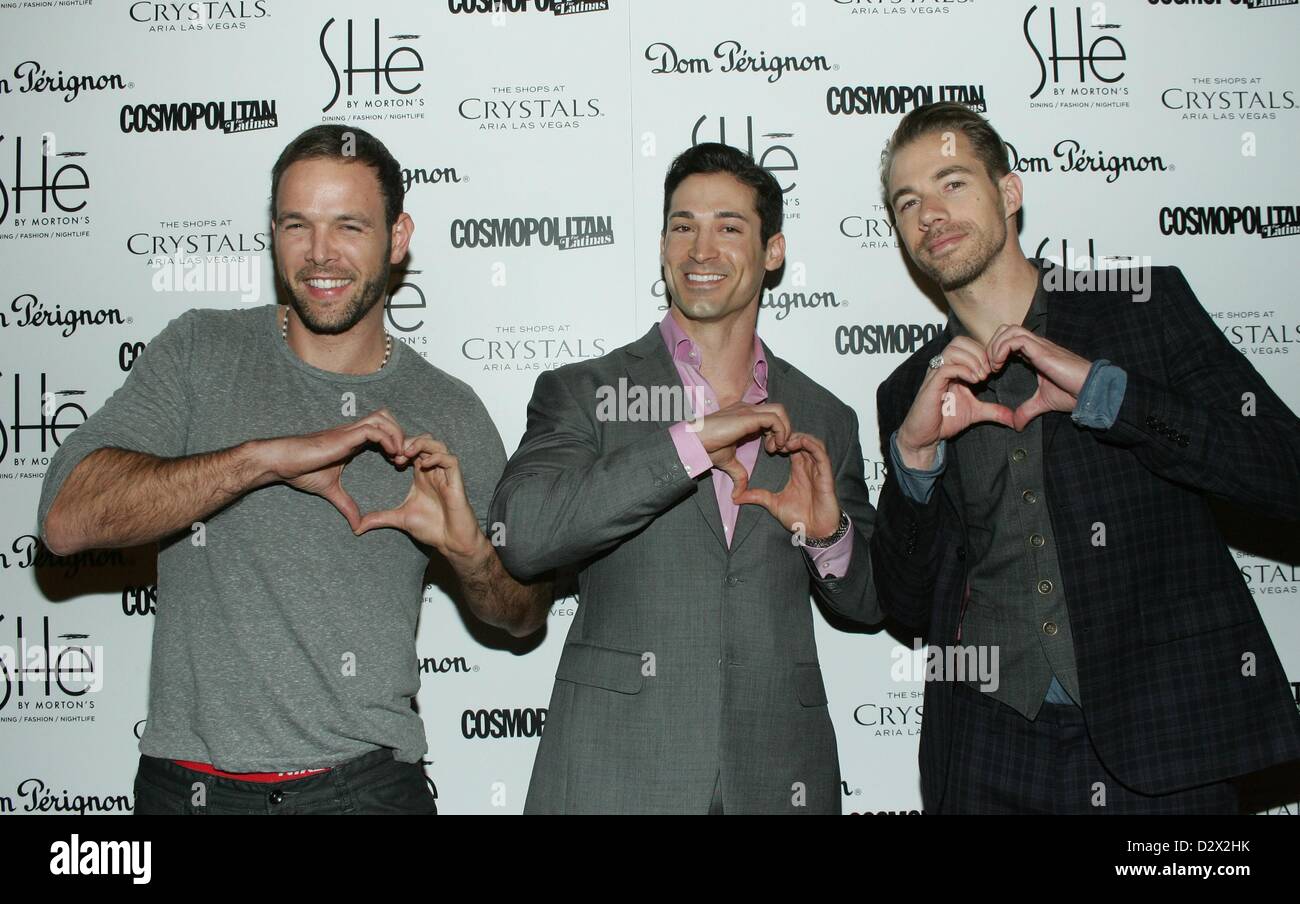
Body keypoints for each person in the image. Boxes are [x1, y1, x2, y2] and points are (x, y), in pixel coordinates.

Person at [37, 124, 549, 815]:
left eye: (348, 226)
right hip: (188, 790)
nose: (319, 254)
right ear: (272, 232)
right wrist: (261, 460)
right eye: (296, 225)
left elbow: (523, 615)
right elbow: (66, 520)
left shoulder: (445, 410)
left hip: (364, 791)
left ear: (397, 239)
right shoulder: (200, 351)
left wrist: (470, 557)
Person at [872, 102, 1300, 813]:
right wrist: (914, 460)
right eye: (907, 201)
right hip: (988, 750)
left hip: (1163, 739)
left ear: (1010, 192)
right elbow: (908, 606)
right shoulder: (907, 391)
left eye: (952, 183)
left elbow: (1283, 470)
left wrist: (1114, 396)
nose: (930, 215)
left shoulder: (1140, 304)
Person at [491, 143, 885, 814]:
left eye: (729, 227)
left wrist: (829, 537)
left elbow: (873, 602)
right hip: (613, 775)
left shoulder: (825, 416)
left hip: (778, 774)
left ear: (773, 251)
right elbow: (521, 535)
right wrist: (689, 445)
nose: (700, 250)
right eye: (682, 226)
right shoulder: (587, 392)